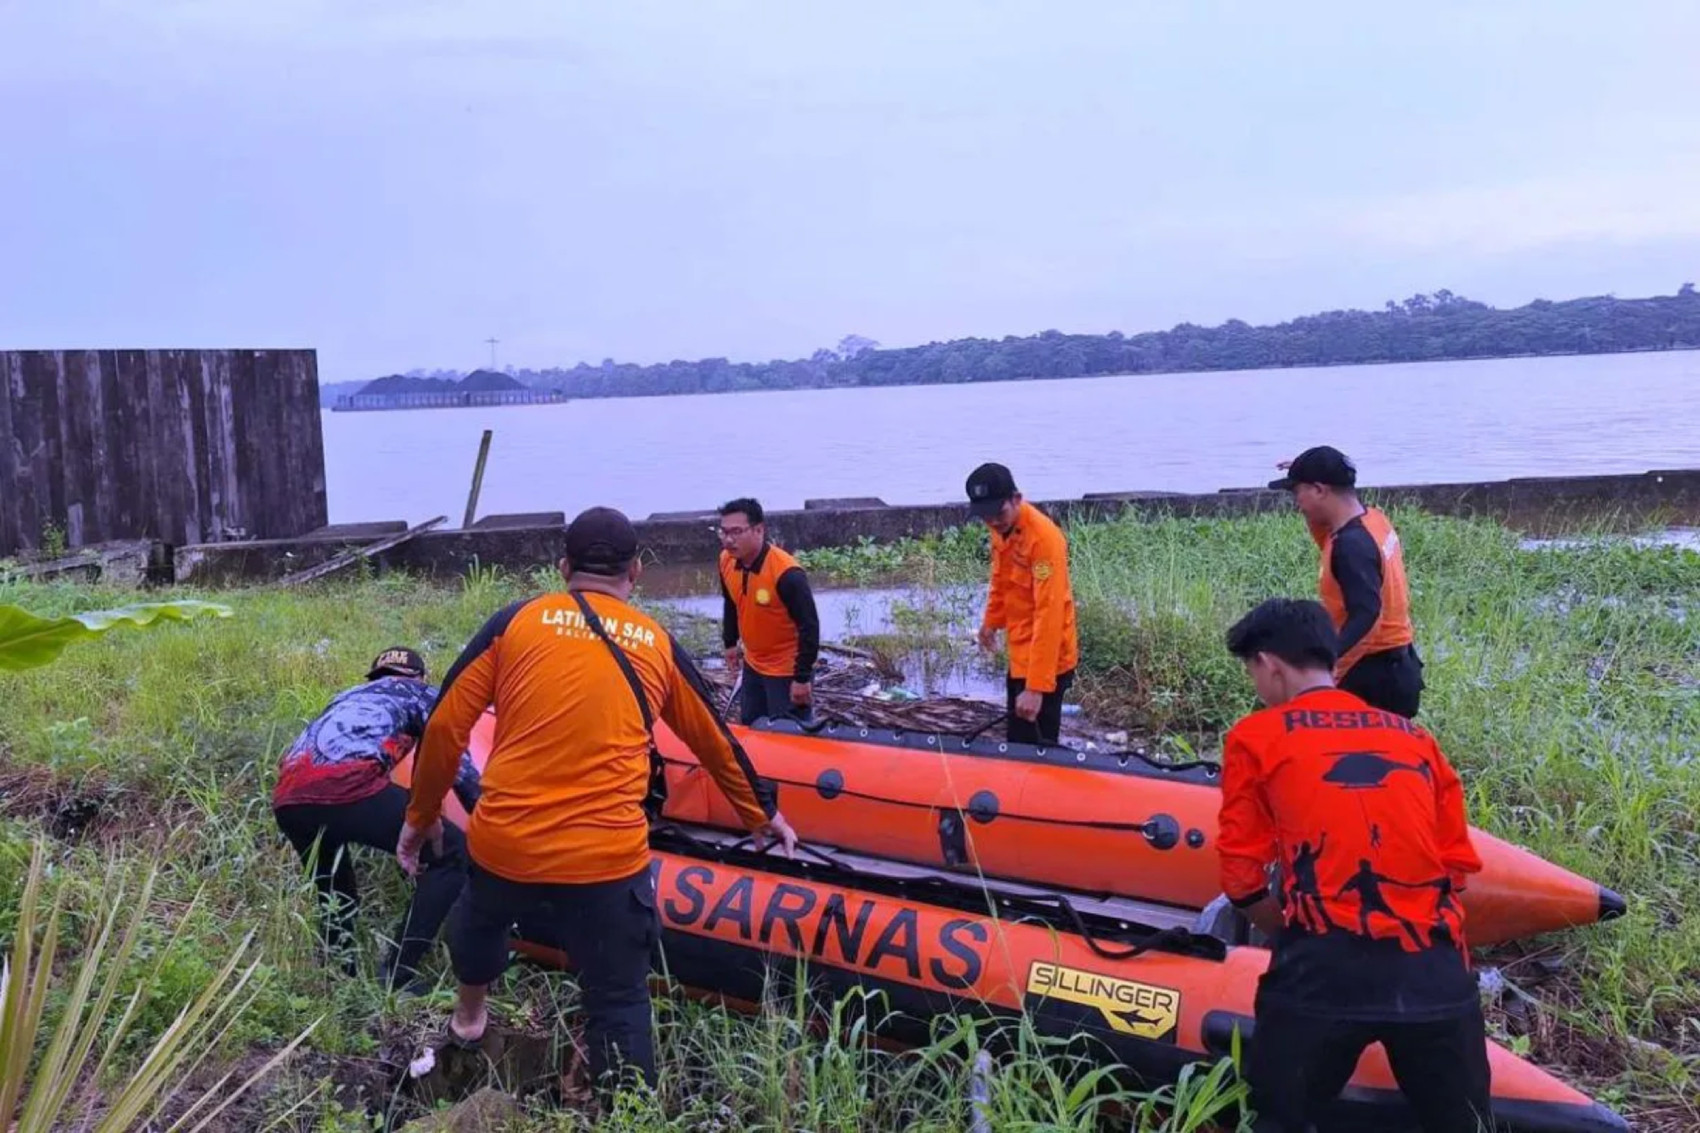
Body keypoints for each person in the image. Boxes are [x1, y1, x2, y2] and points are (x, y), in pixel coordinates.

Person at [399, 506, 798, 1096]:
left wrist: (421, 815)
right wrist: (760, 814)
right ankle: (628, 1104)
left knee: (481, 914)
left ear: (563, 567)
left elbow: (444, 728)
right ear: (636, 571)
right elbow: (713, 741)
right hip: (606, 855)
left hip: (510, 839)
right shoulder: (656, 643)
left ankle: (469, 1016)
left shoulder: (518, 621)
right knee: (619, 997)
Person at [1217, 598, 1489, 1133]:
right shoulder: (1414, 739)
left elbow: (1241, 877)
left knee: (1280, 1118)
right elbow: (1455, 868)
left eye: (1253, 672)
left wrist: (1289, 931)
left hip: (1324, 969)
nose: (1257, 686)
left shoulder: (1256, 737)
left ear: (1270, 664)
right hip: (1433, 970)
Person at [272, 647, 480, 992]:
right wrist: (489, 817)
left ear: (374, 676)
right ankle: (397, 977)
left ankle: (338, 973)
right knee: (452, 853)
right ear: (420, 677)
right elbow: (454, 759)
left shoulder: (347, 696)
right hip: (347, 784)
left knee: (334, 882)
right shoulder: (420, 693)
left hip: (288, 794)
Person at [1269, 446, 1425, 717]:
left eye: (1297, 492)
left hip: (1373, 678)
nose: (1297, 503)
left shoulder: (1352, 546)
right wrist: (1305, 471)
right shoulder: (1371, 519)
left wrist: (1327, 669)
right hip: (1399, 666)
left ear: (1320, 490)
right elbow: (1326, 534)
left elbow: (1367, 616)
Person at [966, 462, 1079, 745]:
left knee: (1040, 747)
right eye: (986, 516)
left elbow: (1049, 614)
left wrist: (1036, 687)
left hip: (1049, 661)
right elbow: (1001, 580)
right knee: (1017, 740)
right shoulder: (1001, 528)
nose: (993, 521)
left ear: (1016, 499)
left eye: (998, 512)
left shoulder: (1043, 540)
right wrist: (990, 623)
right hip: (1020, 652)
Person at [717, 498, 821, 725]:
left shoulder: (786, 574)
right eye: (723, 532)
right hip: (753, 665)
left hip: (786, 671)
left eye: (736, 532)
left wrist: (802, 678)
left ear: (759, 530)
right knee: (752, 727)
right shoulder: (726, 561)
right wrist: (730, 643)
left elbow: (810, 627)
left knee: (790, 737)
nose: (728, 540)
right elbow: (731, 602)